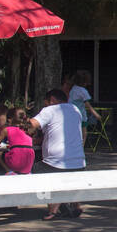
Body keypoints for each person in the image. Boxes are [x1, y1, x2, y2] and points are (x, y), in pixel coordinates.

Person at [26, 88, 86, 220]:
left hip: (56, 164)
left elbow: (31, 124)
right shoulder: (76, 110)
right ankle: (75, 205)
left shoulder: (50, 110)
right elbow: (59, 132)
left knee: (36, 170)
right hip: (79, 163)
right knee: (66, 175)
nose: (45, 106)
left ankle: (54, 209)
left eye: (46, 103)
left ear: (51, 100)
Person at [0, 107, 36, 176]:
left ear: (9, 120)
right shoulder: (27, 130)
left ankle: (9, 172)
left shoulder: (7, 129)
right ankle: (22, 172)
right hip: (29, 161)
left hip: (15, 161)